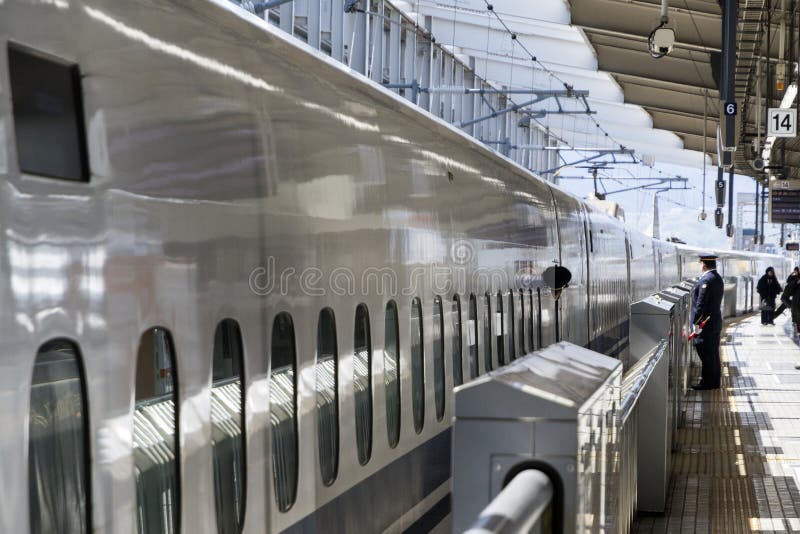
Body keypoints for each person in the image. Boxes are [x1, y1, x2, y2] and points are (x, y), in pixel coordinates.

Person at [690, 253, 724, 391]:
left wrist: (696, 324)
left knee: (705, 351)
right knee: (713, 352)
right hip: (714, 322)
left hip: (706, 324)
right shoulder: (717, 278)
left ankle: (707, 382)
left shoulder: (706, 280)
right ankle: (714, 381)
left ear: (703, 264)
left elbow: (701, 304)